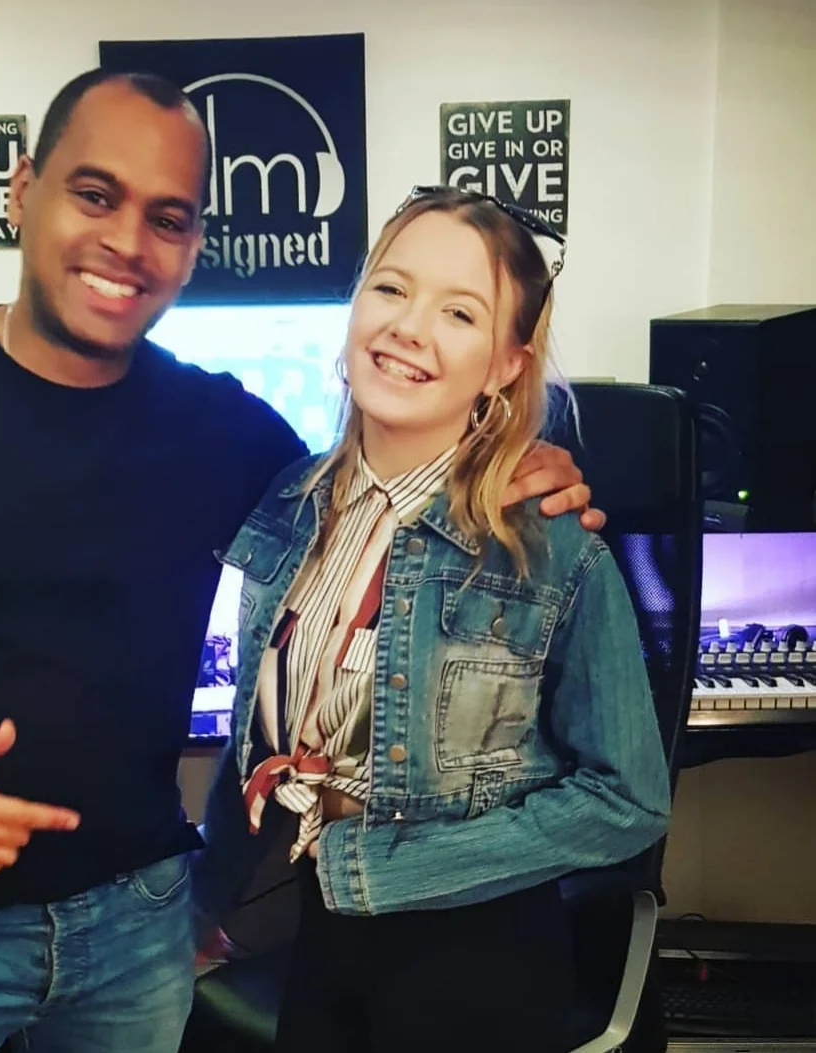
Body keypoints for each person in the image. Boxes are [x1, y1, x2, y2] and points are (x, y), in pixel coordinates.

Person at [0, 70, 599, 1053]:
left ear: (194, 247)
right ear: (23, 190)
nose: (127, 242)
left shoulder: (225, 432)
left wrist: (511, 466)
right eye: (94, 194)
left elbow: (387, 502)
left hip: (137, 931)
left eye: (167, 218)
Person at [193, 186, 672, 1053]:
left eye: (459, 312)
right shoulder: (289, 502)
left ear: (503, 365)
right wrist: (205, 903)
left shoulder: (551, 550)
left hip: (475, 961)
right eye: (390, 288)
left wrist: (388, 869)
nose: (408, 327)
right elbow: (253, 743)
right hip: (320, 938)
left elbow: (627, 798)